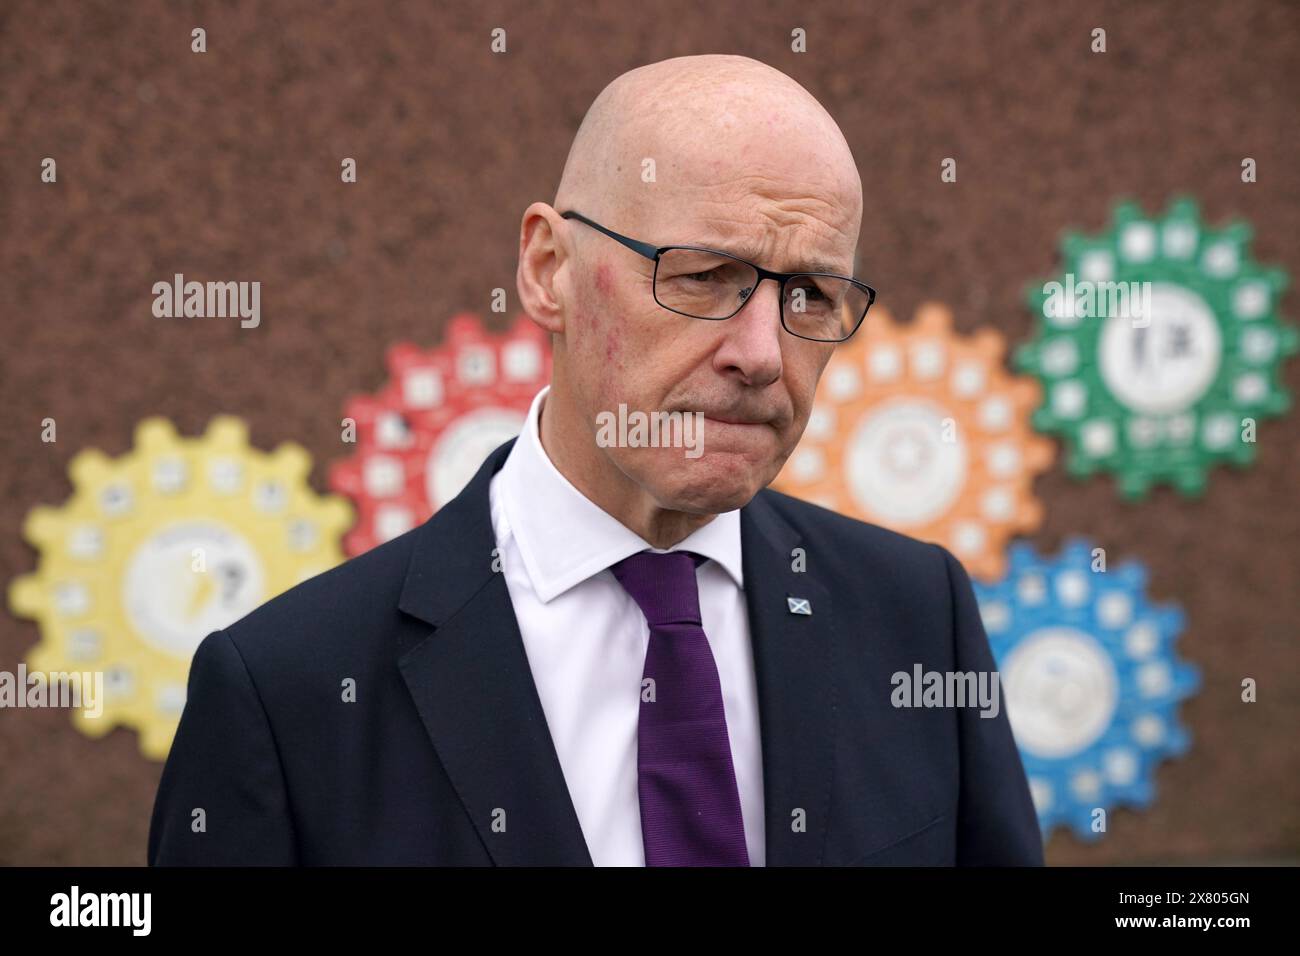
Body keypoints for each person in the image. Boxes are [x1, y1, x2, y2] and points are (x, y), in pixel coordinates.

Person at [149, 53, 1043, 866]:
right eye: (704, 276)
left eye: (810, 293)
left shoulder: (917, 615)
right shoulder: (289, 692)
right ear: (547, 269)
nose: (762, 353)